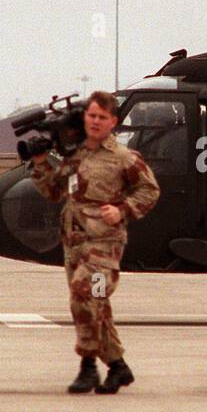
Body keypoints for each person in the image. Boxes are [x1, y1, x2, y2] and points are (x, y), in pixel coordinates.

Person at [28, 91, 161, 394]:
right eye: (92, 115)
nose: (96, 121)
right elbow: (53, 192)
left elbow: (149, 190)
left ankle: (87, 367)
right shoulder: (76, 156)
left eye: (102, 117)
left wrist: (122, 210)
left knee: (84, 292)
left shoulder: (124, 158)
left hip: (104, 246)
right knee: (96, 305)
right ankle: (118, 367)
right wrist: (40, 162)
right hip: (74, 244)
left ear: (113, 122)